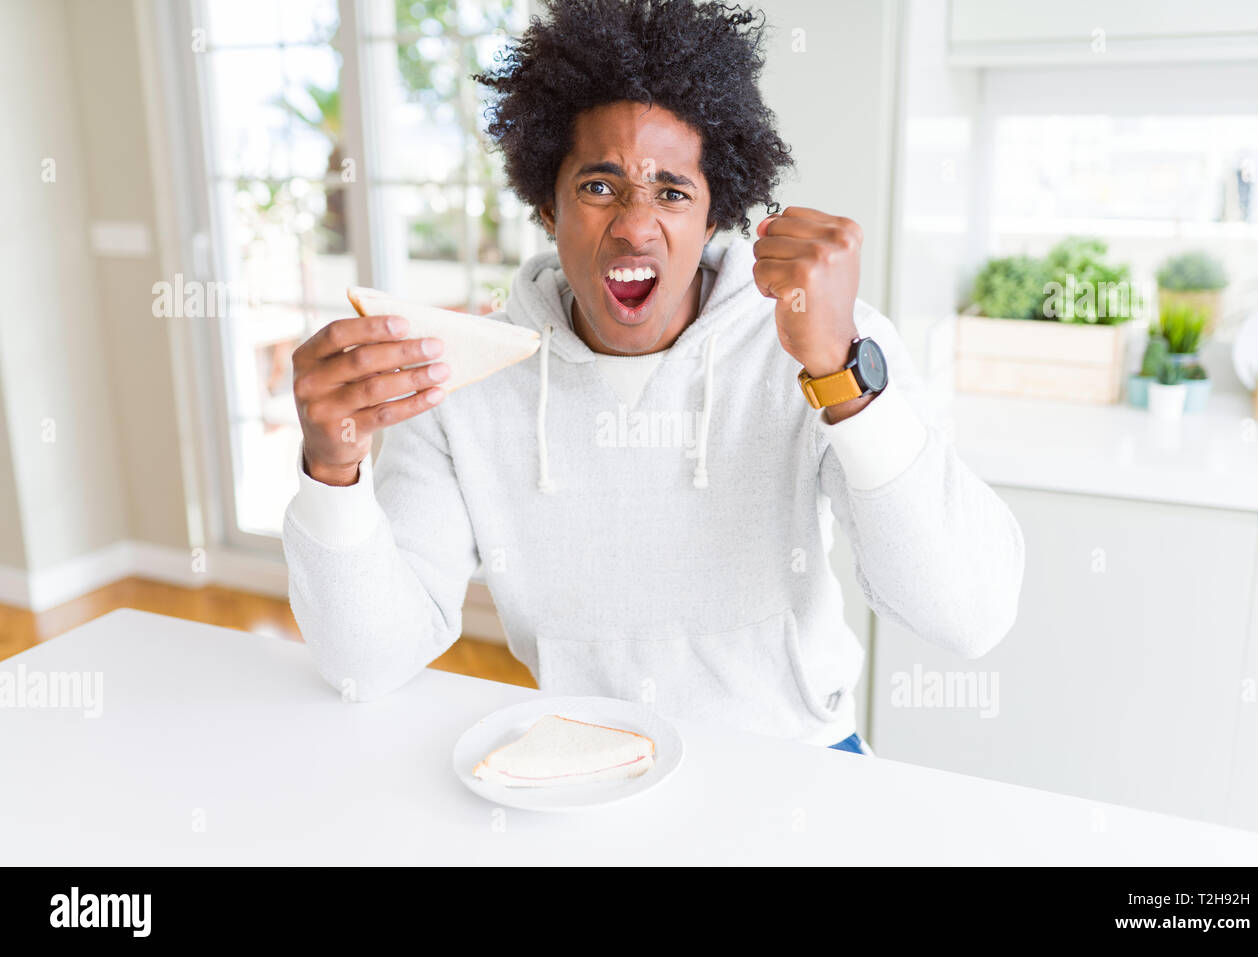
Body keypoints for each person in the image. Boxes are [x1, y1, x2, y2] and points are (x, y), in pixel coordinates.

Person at [283, 0, 1025, 757]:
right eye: (600, 187)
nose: (637, 225)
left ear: (712, 219)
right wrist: (332, 473)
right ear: (547, 203)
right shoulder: (467, 380)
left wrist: (842, 372)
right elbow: (366, 664)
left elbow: (971, 614)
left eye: (673, 192)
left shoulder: (819, 341)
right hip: (584, 768)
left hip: (797, 763)